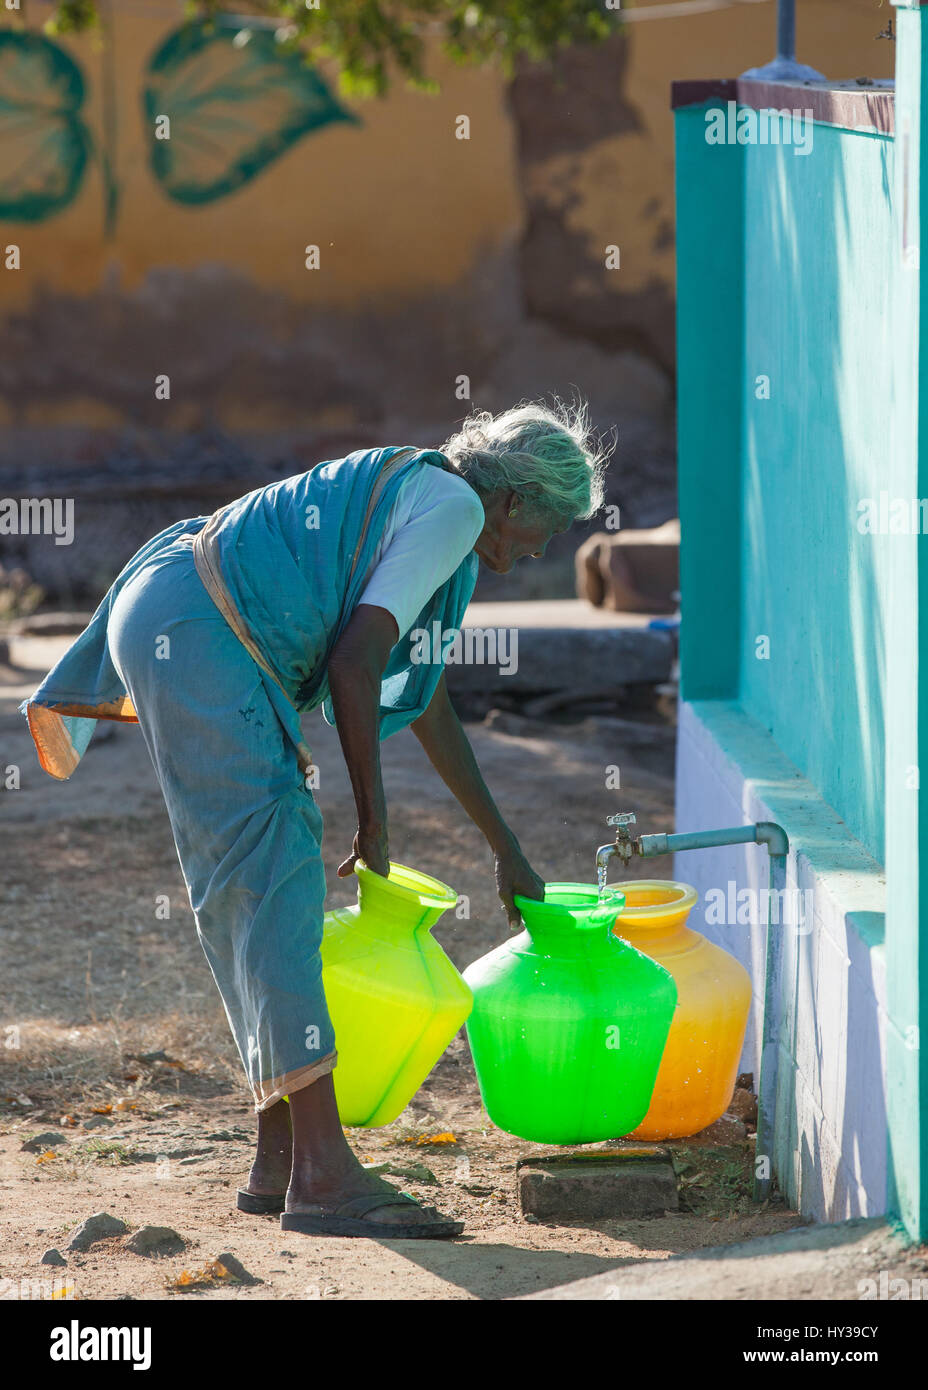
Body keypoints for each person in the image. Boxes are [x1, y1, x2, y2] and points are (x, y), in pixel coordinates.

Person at [23, 399, 607, 1238]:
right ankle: (325, 1176)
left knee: (260, 894)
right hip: (197, 627)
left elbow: (427, 699)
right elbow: (356, 662)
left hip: (184, 610)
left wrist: (504, 847)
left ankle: (280, 1161)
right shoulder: (456, 509)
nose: (539, 551)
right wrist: (374, 823)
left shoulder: (435, 506)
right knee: (273, 881)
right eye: (545, 528)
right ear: (513, 502)